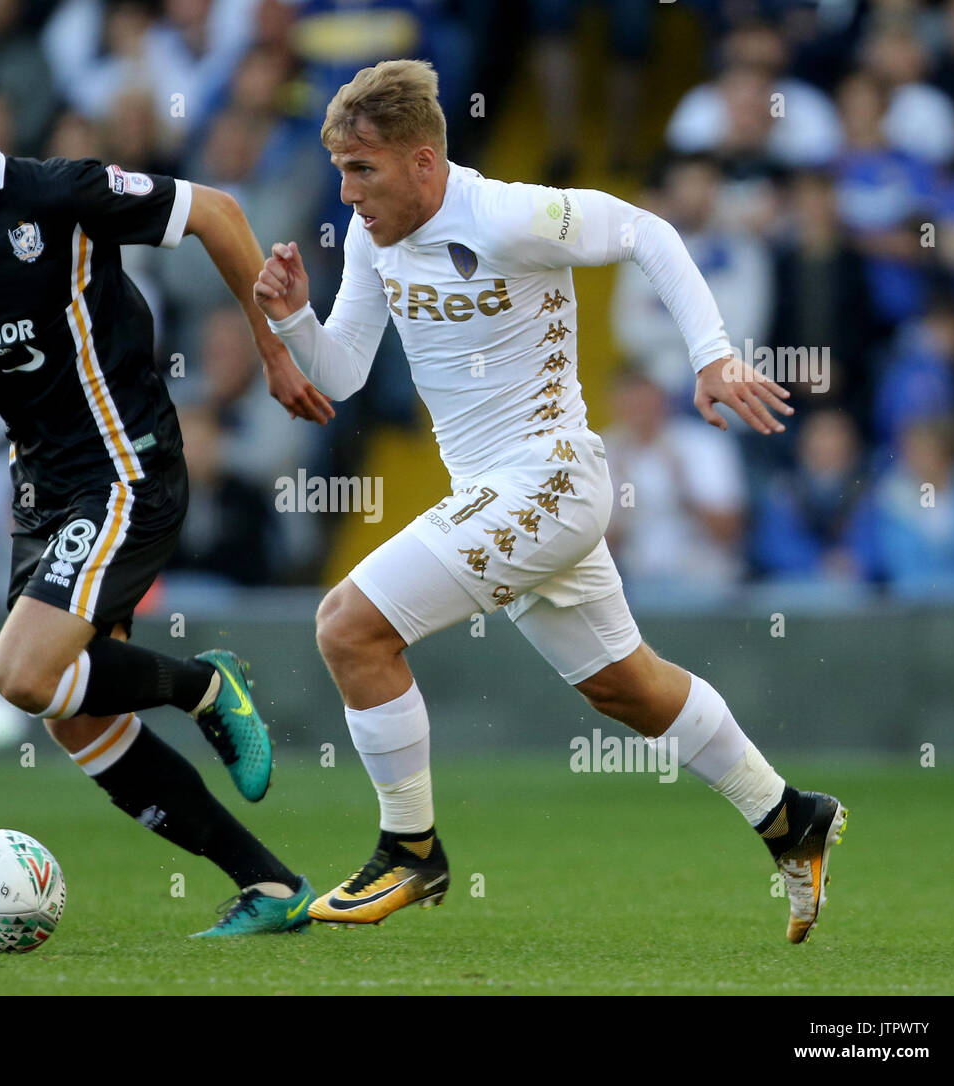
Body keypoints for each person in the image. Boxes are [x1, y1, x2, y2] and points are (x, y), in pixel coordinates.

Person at [254, 60, 848, 943]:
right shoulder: (374, 234)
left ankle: (411, 850)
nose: (347, 190)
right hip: (498, 493)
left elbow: (646, 230)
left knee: (348, 625)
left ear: (424, 161)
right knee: (627, 689)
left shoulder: (506, 214)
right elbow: (341, 368)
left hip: (550, 478)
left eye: (363, 168)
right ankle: (790, 817)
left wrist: (711, 355)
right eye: (340, 169)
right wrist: (298, 319)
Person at [0, 29, 334, 936]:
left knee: (20, 671)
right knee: (68, 709)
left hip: (129, 465)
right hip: (42, 484)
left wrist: (273, 350)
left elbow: (221, 214)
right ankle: (271, 888)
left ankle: (202, 685)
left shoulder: (58, 191)